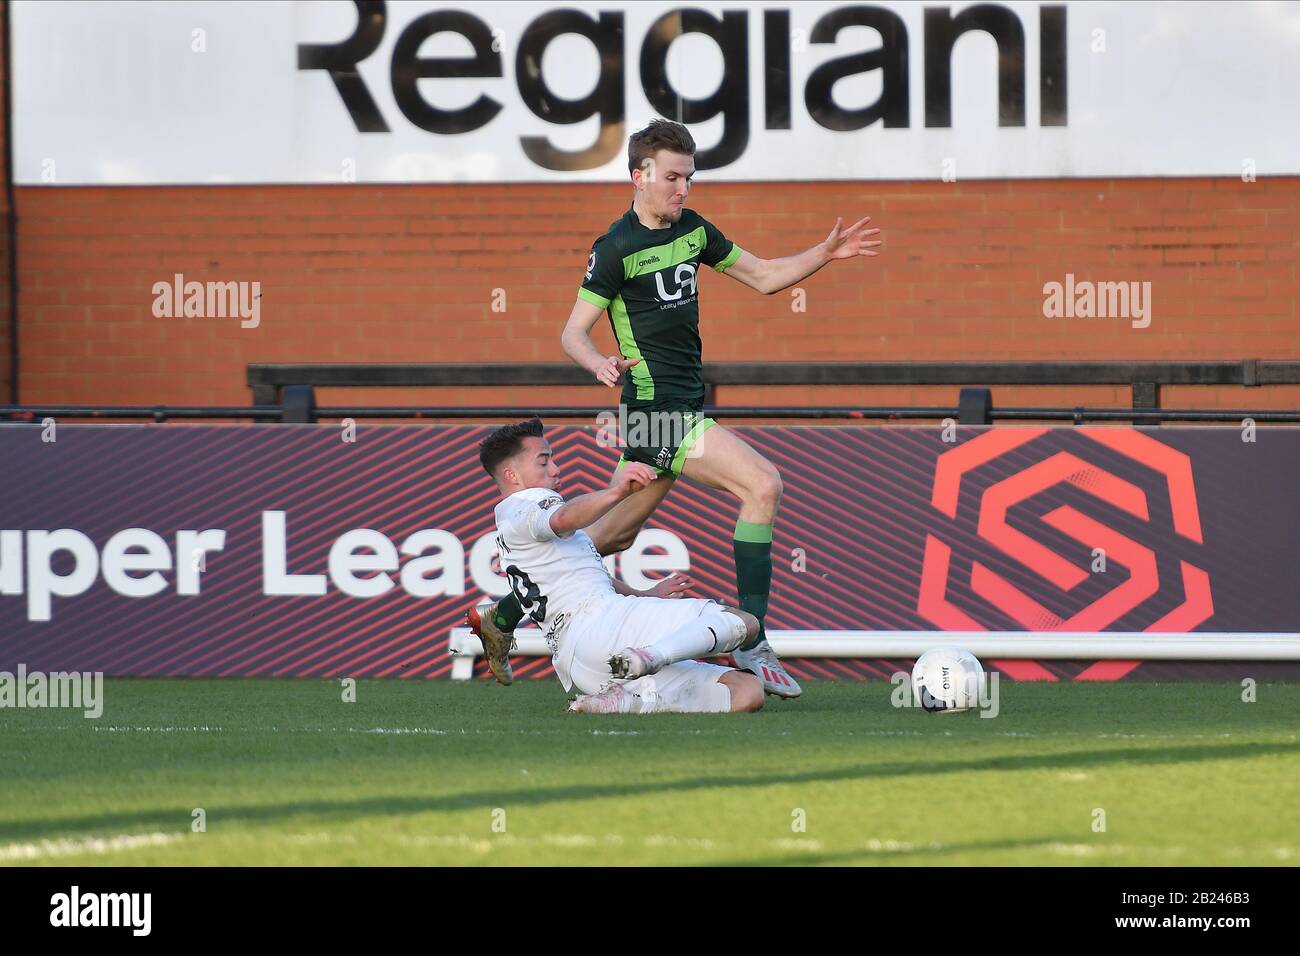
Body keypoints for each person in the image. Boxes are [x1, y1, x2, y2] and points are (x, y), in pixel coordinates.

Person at [469, 118, 882, 696]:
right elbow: (572, 333)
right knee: (763, 485)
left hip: (679, 408)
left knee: (609, 539)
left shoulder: (693, 230)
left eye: (688, 177)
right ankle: (752, 638)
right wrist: (599, 364)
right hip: (656, 411)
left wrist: (825, 253)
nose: (682, 189)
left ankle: (501, 617)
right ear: (638, 176)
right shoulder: (614, 248)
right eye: (671, 177)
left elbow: (762, 276)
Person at [478, 418, 765, 715]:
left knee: (746, 694)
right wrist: (618, 492)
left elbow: (584, 577)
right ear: (512, 475)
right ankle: (651, 657)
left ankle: (627, 700)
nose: (555, 469)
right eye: (543, 461)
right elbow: (563, 518)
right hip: (602, 627)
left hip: (585, 663)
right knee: (745, 623)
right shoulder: (530, 504)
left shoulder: (511, 525)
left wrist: (645, 595)